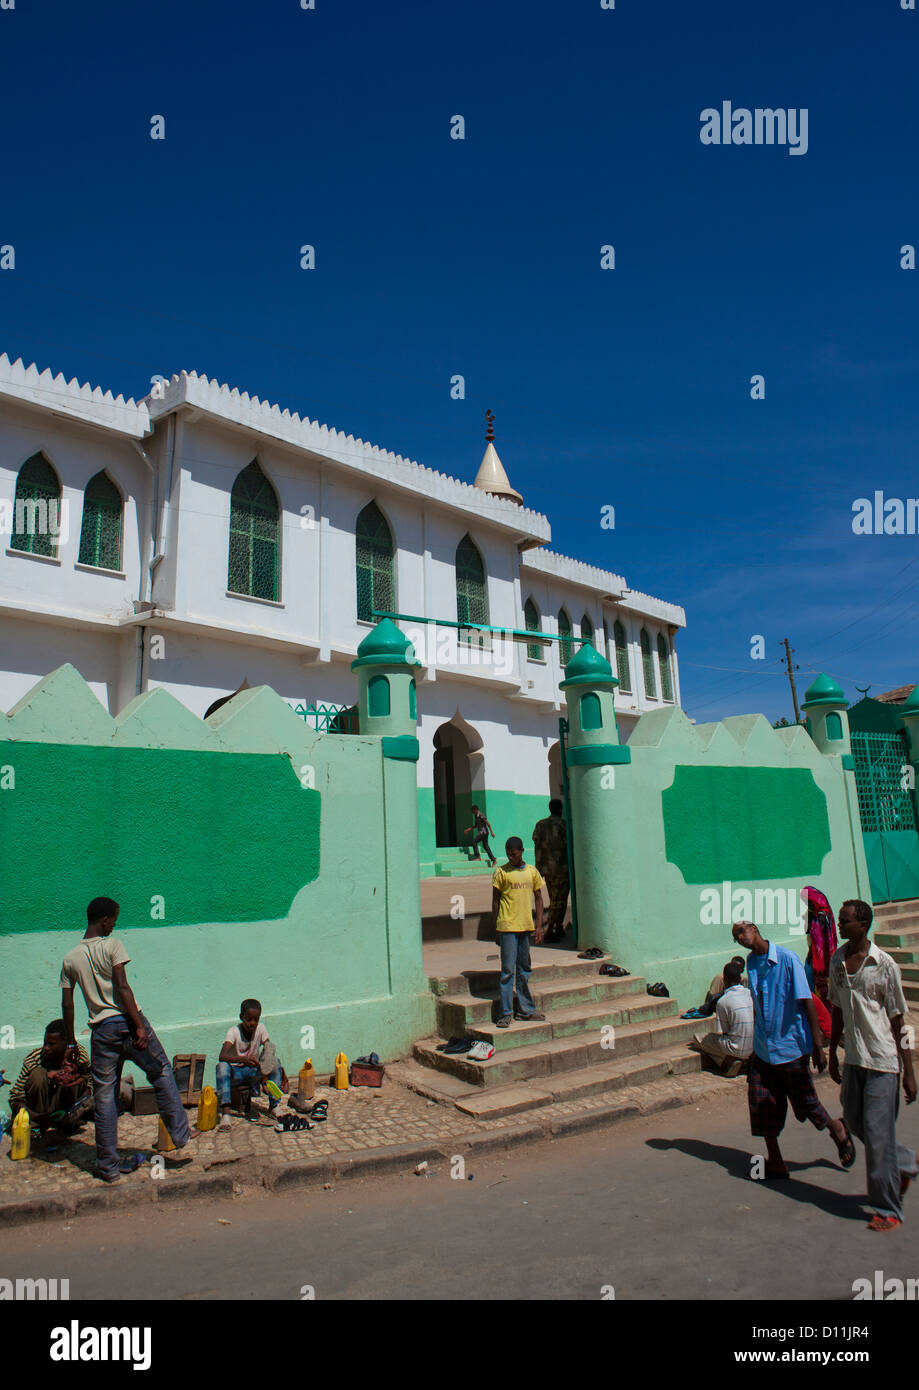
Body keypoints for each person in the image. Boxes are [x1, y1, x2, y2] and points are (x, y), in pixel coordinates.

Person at [60, 896, 197, 1183]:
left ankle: (108, 1167)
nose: (114, 926)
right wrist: (138, 1027)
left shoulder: (70, 958)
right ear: (105, 919)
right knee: (159, 1071)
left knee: (105, 1097)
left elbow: (68, 1005)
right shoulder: (113, 946)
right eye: (114, 921)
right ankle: (180, 1134)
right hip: (126, 1020)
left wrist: (71, 1041)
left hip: (100, 1031)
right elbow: (122, 987)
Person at [732, 919, 853, 1180]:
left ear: (755, 929)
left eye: (742, 931)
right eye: (736, 936)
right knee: (761, 1104)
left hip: (791, 1047)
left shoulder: (787, 959)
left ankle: (837, 1129)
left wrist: (817, 1046)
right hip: (764, 1050)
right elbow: (758, 1007)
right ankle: (775, 1161)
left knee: (806, 1103)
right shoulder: (751, 964)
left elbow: (806, 1001)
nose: (741, 937)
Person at [828, 898, 918, 1232]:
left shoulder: (885, 965)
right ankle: (906, 1160)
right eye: (839, 919)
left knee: (878, 1135)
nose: (840, 924)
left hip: (883, 1061)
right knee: (853, 1119)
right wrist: (830, 1054)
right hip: (854, 1058)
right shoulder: (838, 959)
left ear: (863, 924)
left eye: (845, 920)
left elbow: (900, 1021)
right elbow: (837, 1007)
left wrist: (909, 1071)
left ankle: (888, 1209)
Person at [492, 837, 546, 1028]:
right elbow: (496, 901)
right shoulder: (501, 872)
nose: (510, 857)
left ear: (522, 851)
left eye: (513, 854)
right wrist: (495, 928)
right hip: (507, 927)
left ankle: (526, 1010)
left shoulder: (532, 872)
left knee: (524, 970)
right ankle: (506, 1013)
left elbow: (539, 899)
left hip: (525, 928)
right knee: (507, 971)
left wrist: (538, 926)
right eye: (507, 854)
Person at [8, 1020, 93, 1135]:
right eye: (45, 1043)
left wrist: (76, 1110)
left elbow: (90, 1085)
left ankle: (68, 1122)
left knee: (76, 1076)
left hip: (66, 1108)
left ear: (66, 1042)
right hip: (40, 1113)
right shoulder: (34, 1059)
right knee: (37, 1075)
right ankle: (36, 1127)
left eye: (52, 1044)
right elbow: (15, 1097)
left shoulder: (78, 1056)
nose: (46, 1048)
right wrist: (36, 1117)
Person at [216, 999, 284, 1128]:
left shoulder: (261, 1028)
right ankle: (226, 1114)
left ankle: (274, 1105)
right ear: (241, 1017)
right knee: (222, 1067)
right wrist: (244, 1060)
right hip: (237, 1073)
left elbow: (268, 1048)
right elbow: (222, 1056)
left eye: (256, 1019)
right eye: (248, 1019)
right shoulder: (233, 1032)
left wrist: (264, 1066)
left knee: (275, 1061)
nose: (252, 1023)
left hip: (254, 1072)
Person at [689, 961, 754, 1076]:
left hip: (736, 1047)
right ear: (740, 978)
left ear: (724, 979)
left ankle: (727, 1062)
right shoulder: (750, 994)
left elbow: (723, 1032)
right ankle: (740, 1061)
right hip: (754, 1046)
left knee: (698, 1038)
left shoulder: (723, 1001)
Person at [532, 799, 570, 942]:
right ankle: (549, 930)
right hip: (561, 868)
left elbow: (537, 845)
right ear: (560, 809)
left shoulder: (540, 825)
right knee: (560, 900)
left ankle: (558, 926)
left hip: (546, 868)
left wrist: (539, 867)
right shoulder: (563, 825)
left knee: (555, 898)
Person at [802, 885, 838, 1008]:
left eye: (808, 902)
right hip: (814, 960)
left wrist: (812, 955)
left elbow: (823, 943)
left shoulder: (823, 916)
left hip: (822, 962)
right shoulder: (814, 914)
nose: (808, 905)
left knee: (822, 992)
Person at [683, 956, 749, 1020]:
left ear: (742, 970)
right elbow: (712, 996)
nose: (733, 968)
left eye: (737, 967)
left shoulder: (744, 980)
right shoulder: (721, 978)